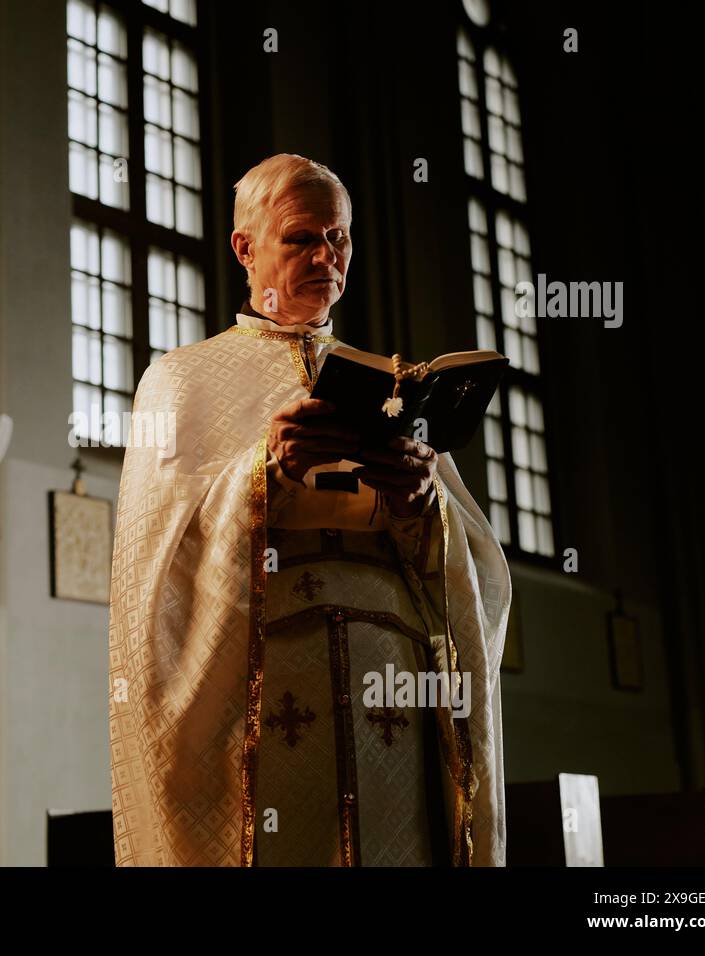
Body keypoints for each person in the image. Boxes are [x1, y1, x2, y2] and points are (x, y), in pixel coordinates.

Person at [108, 153, 511, 866]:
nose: (328, 256)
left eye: (341, 238)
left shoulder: (390, 382)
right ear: (246, 248)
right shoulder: (179, 381)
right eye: (302, 238)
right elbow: (156, 574)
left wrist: (420, 504)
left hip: (396, 690)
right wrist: (263, 475)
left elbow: (474, 571)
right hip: (268, 691)